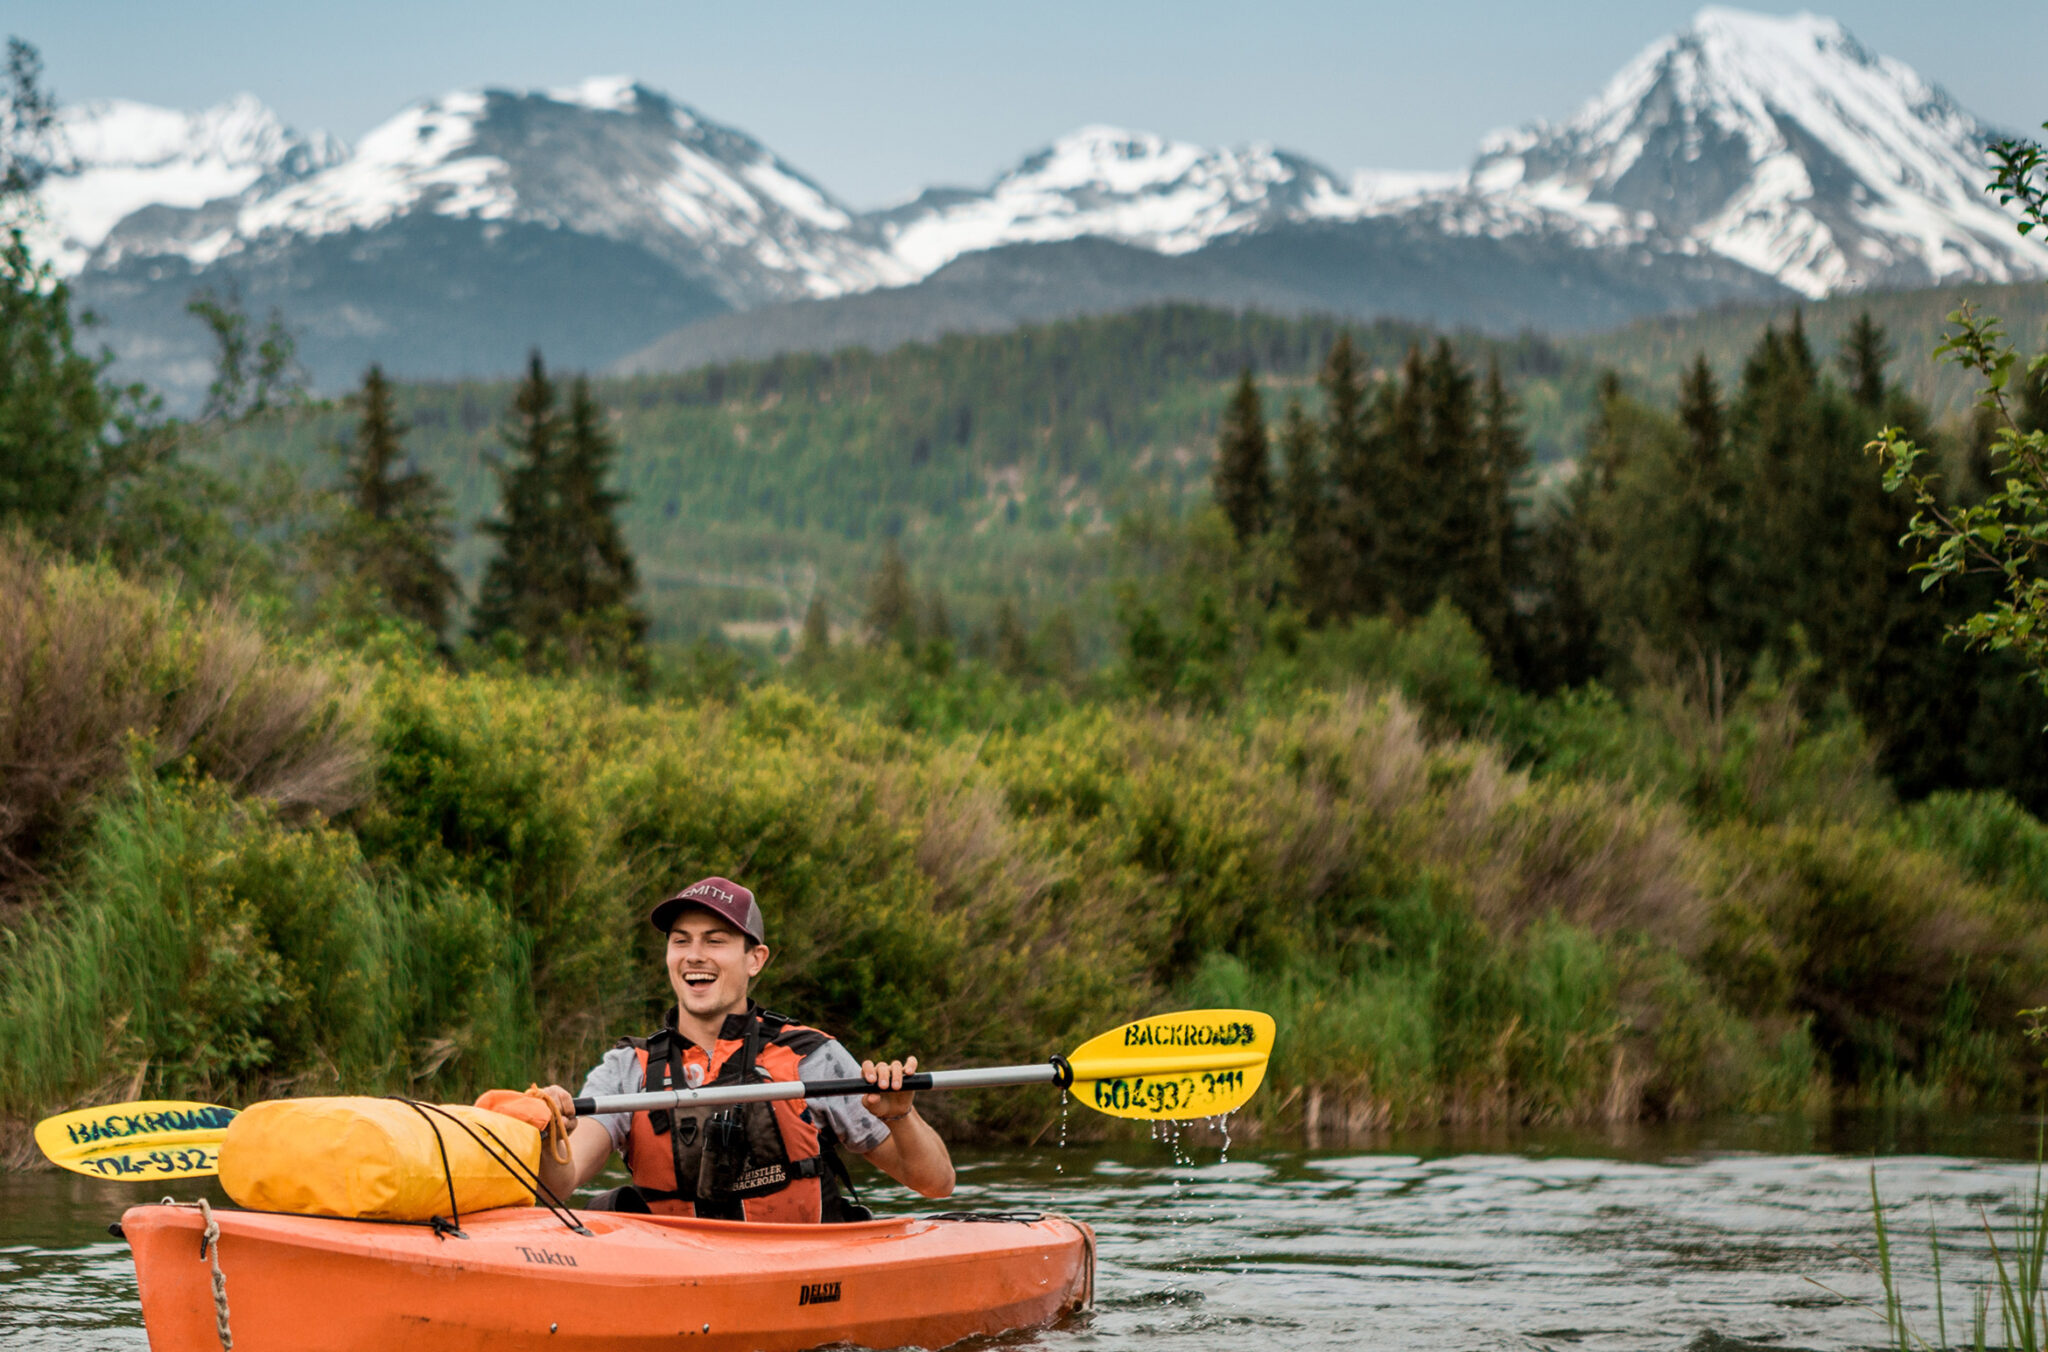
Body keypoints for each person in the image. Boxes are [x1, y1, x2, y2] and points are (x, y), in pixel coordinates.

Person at [529, 876, 954, 1221]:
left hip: (798, 1271)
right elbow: (557, 1185)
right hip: (678, 1273)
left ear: (755, 959)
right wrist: (551, 1135)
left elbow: (936, 1183)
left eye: (715, 941)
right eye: (681, 941)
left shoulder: (813, 1056)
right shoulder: (626, 1069)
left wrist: (900, 1115)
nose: (694, 956)